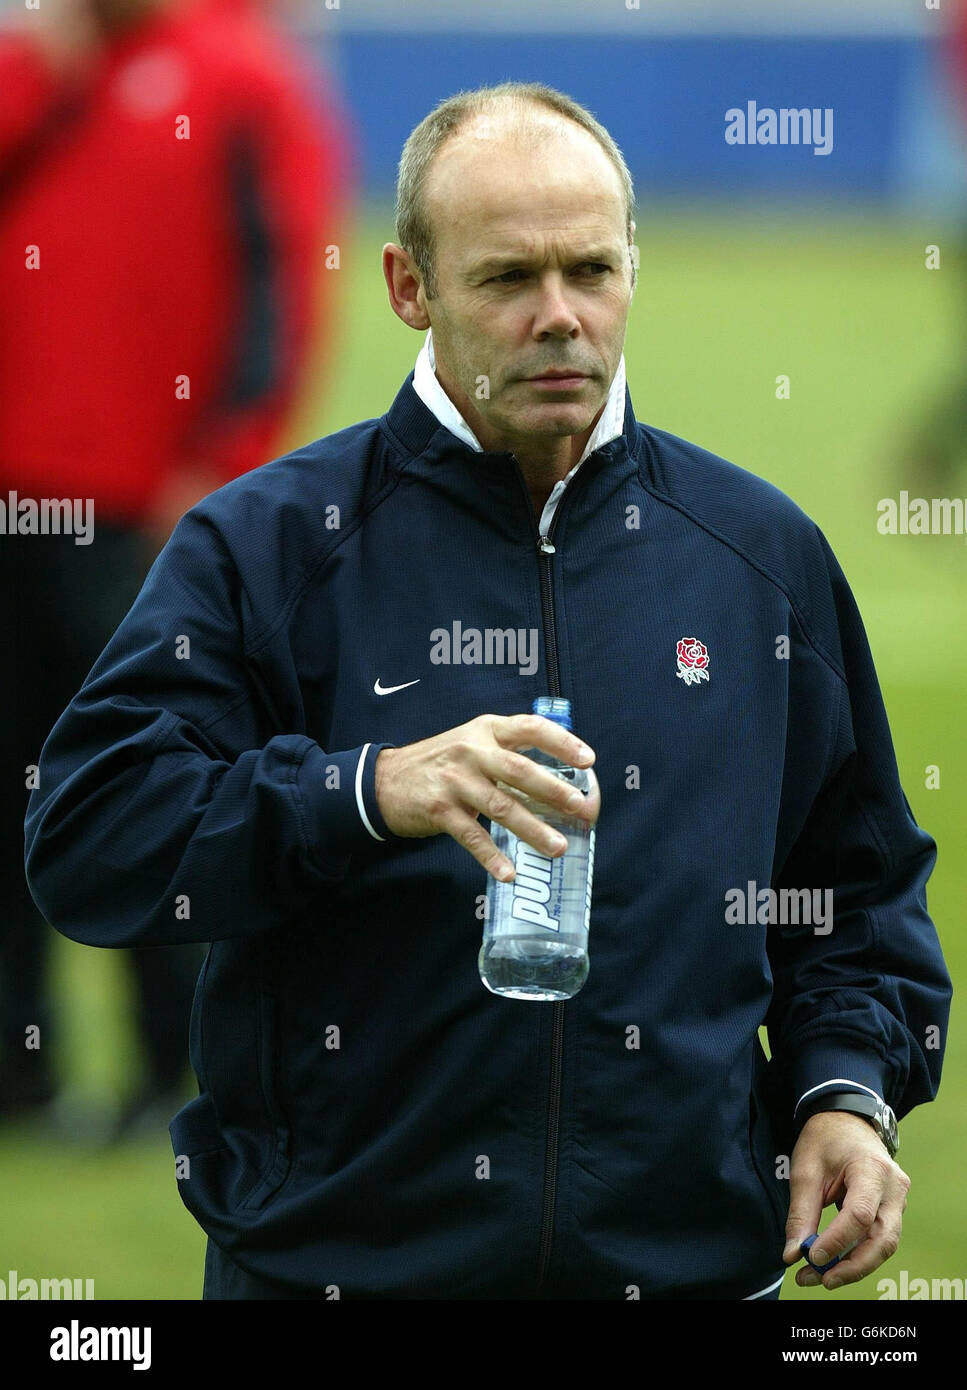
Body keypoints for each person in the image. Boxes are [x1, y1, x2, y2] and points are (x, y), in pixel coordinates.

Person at [24, 82, 951, 1300]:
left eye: (592, 270)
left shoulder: (758, 557)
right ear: (410, 287)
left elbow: (855, 896)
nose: (559, 318)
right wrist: (362, 792)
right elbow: (88, 837)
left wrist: (845, 1091)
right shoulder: (266, 546)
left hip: (687, 1277)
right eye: (508, 279)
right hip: (337, 1273)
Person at [0, 0, 352, 1136]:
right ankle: (21, 1073)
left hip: (143, 514)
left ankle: (180, 1081)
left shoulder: (241, 74)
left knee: (154, 793)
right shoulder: (28, 67)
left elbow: (283, 282)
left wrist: (222, 465)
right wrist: (38, 79)